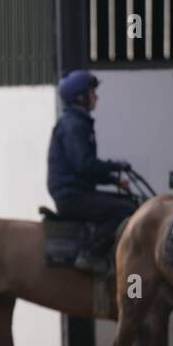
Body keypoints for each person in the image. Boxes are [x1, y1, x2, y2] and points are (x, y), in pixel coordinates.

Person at [45, 70, 135, 273]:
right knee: (125, 210)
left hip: (77, 192)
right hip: (72, 196)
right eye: (92, 92)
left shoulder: (77, 122)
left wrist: (114, 180)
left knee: (130, 203)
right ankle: (90, 254)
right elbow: (85, 166)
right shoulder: (73, 125)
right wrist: (115, 167)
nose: (96, 96)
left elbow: (86, 167)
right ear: (80, 98)